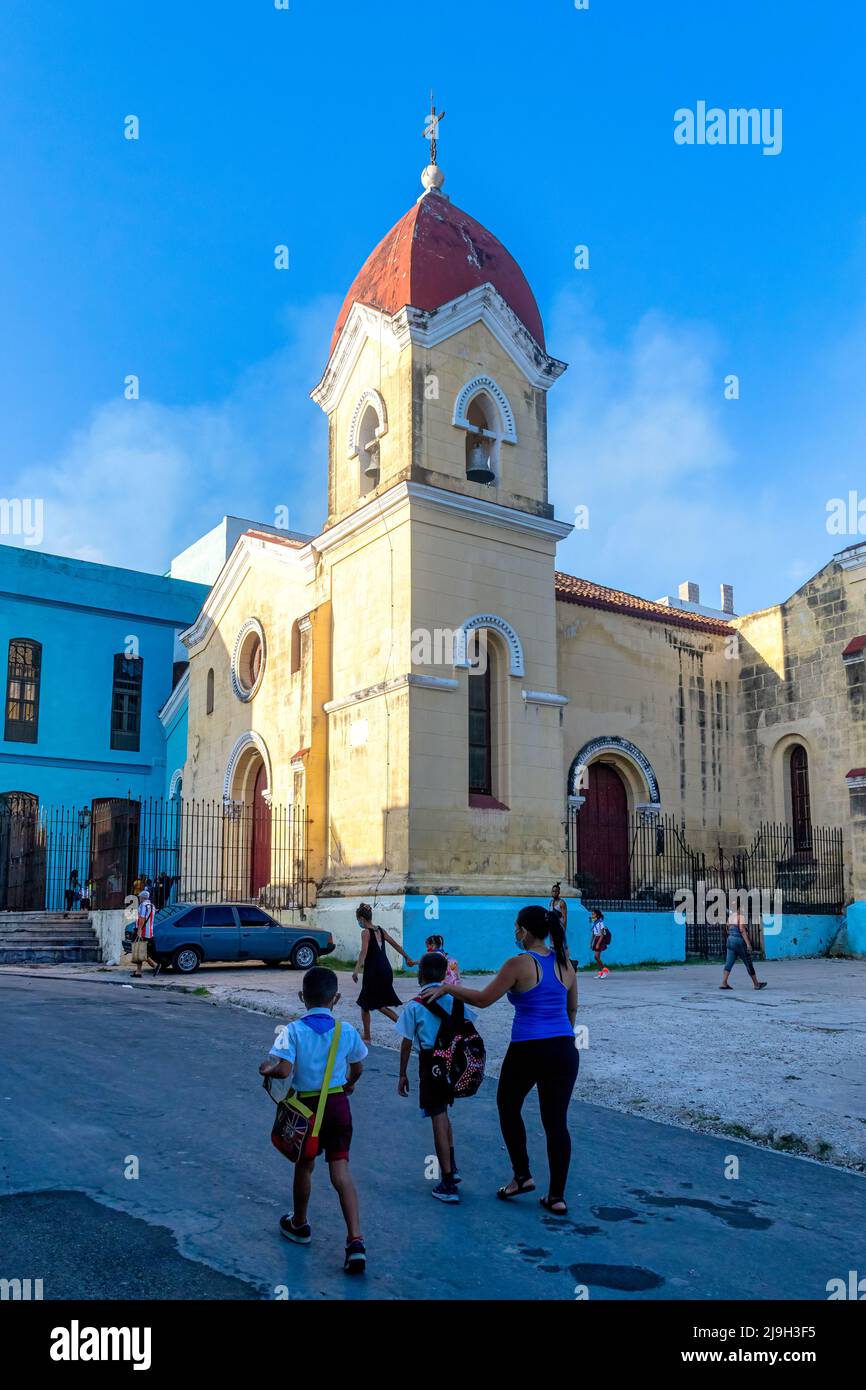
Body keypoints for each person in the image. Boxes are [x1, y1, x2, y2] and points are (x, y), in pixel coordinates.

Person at [427, 904, 579, 1216]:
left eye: (516, 927)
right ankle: (557, 1196)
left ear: (524, 930)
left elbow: (483, 1000)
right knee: (556, 1122)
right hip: (564, 1048)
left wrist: (448, 987)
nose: (514, 932)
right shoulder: (566, 963)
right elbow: (572, 1009)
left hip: (528, 1048)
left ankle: (522, 1176)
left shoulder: (519, 964)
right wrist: (561, 1035)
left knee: (508, 1106)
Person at [259, 966, 368, 1274]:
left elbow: (282, 1071)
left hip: (304, 1109)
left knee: (304, 1165)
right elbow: (358, 1066)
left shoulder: (292, 1030)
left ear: (301, 997)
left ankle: (300, 1223)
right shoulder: (346, 1030)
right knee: (340, 1171)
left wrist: (265, 1068)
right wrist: (349, 1082)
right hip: (337, 1105)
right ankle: (356, 1241)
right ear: (336, 998)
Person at [395, 951, 477, 1204]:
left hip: (431, 1064)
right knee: (444, 1113)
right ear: (445, 974)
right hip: (453, 1064)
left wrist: (402, 1074)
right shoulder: (457, 1000)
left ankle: (448, 1181)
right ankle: (451, 1164)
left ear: (420, 975)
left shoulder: (414, 1006)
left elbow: (406, 1043)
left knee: (437, 1116)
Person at [352, 903, 415, 1042]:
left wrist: (356, 970)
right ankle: (368, 1035)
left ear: (362, 918)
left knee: (374, 1004)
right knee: (368, 1003)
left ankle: (403, 1027)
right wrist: (407, 957)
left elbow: (364, 951)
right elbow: (395, 944)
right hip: (385, 969)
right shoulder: (380, 930)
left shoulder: (365, 932)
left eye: (358, 919)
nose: (358, 922)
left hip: (374, 971)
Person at [720, 908, 767, 991]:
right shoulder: (740, 917)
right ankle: (756, 984)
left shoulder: (730, 917)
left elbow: (727, 929)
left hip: (730, 940)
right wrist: (748, 944)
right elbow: (742, 930)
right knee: (748, 962)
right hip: (739, 941)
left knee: (729, 963)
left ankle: (724, 983)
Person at [130, 888, 160, 978]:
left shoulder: (143, 905)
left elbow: (142, 918)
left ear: (143, 898)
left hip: (142, 931)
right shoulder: (152, 906)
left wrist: (139, 930)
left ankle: (155, 965)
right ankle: (138, 972)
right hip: (149, 932)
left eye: (140, 897)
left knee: (139, 950)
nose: (139, 899)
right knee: (140, 950)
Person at [590, 908, 609, 977]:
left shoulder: (601, 923)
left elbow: (602, 934)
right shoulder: (593, 923)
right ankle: (600, 973)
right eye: (592, 914)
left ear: (597, 915)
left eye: (593, 914)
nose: (592, 915)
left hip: (600, 940)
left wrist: (598, 943)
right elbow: (593, 934)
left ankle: (605, 970)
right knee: (597, 957)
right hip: (596, 939)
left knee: (596, 957)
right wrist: (591, 942)